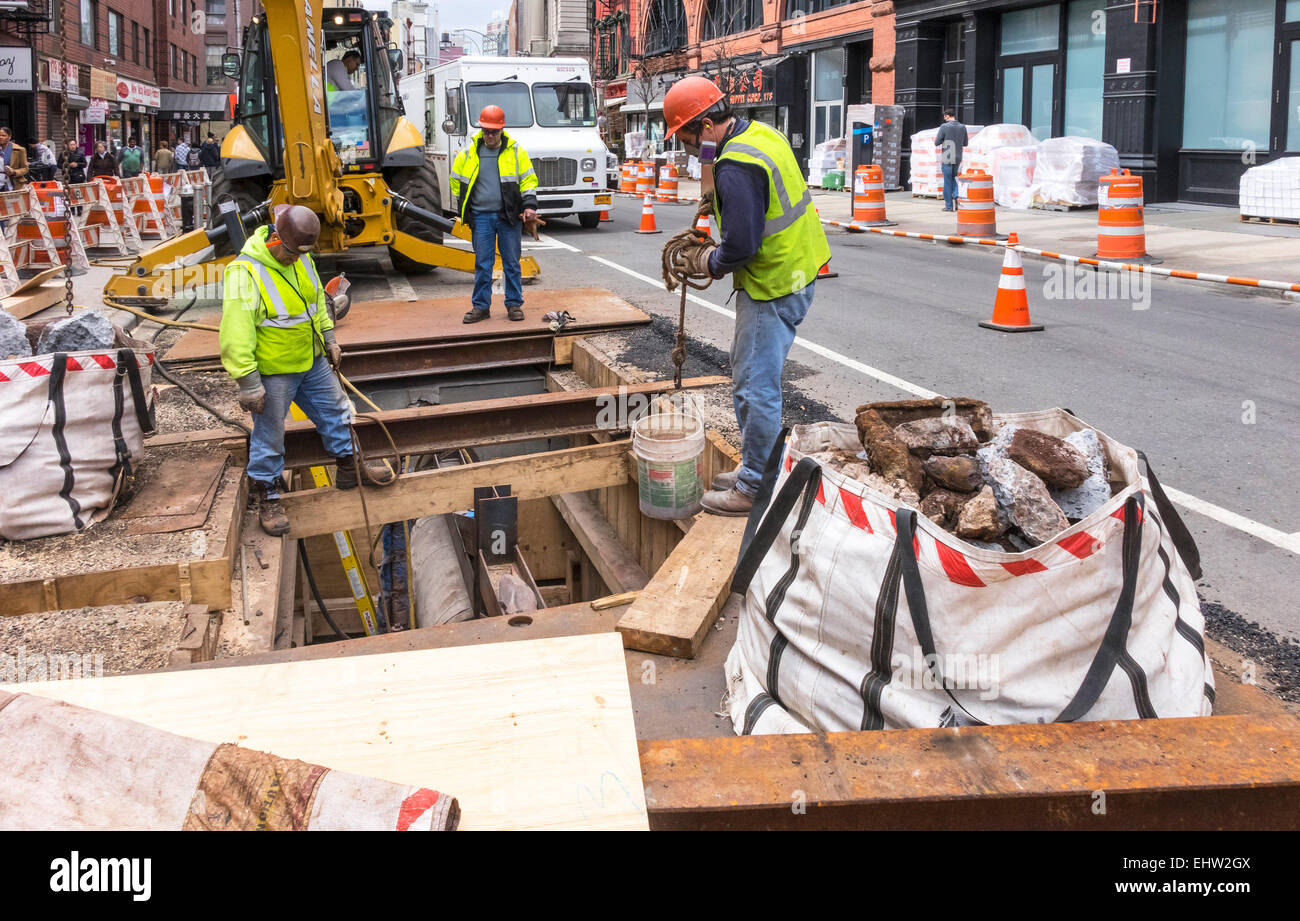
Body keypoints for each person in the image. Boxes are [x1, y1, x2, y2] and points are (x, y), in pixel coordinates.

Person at [662, 76, 831, 516]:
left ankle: (755, 485)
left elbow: (740, 246)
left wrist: (710, 262)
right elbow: (716, 168)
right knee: (748, 373)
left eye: (685, 137)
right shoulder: (756, 134)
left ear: (703, 125)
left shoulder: (735, 167)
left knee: (755, 385)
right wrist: (708, 200)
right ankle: (758, 468)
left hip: (770, 283)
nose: (685, 147)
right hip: (797, 268)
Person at [219, 204, 393, 536]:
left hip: (310, 361)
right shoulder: (245, 272)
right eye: (290, 252)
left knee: (338, 412)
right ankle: (268, 494)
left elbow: (316, 303)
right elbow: (236, 332)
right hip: (273, 371)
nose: (295, 259)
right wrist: (248, 381)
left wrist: (329, 339)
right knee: (270, 436)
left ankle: (348, 467)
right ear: (274, 238)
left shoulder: (302, 259)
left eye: (301, 254)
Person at [449, 105, 542, 324]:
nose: (490, 135)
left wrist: (529, 206)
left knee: (511, 262)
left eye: (494, 131)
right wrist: (466, 206)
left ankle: (514, 305)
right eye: (486, 131)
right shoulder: (469, 153)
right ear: (481, 128)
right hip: (481, 217)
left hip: (508, 217)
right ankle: (481, 307)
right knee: (483, 263)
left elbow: (528, 181)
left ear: (502, 129)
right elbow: (456, 182)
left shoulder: (516, 151)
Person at [934, 108, 968, 212]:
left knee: (948, 181)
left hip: (948, 155)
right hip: (958, 156)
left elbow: (937, 142)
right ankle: (957, 197)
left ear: (948, 116)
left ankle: (949, 206)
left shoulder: (944, 126)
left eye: (944, 116)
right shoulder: (962, 127)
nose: (944, 118)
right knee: (953, 178)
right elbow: (965, 143)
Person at [0, 127, 30, 191]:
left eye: (3, 135)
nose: (1, 137)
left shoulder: (19, 150)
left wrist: (14, 172)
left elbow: (25, 168)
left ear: (9, 137)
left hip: (13, 183)